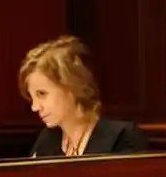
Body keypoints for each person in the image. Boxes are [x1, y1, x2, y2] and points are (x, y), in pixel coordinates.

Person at [19, 35, 148, 158]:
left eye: (42, 94)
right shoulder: (47, 140)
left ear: (71, 86)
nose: (34, 107)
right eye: (32, 97)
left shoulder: (122, 137)